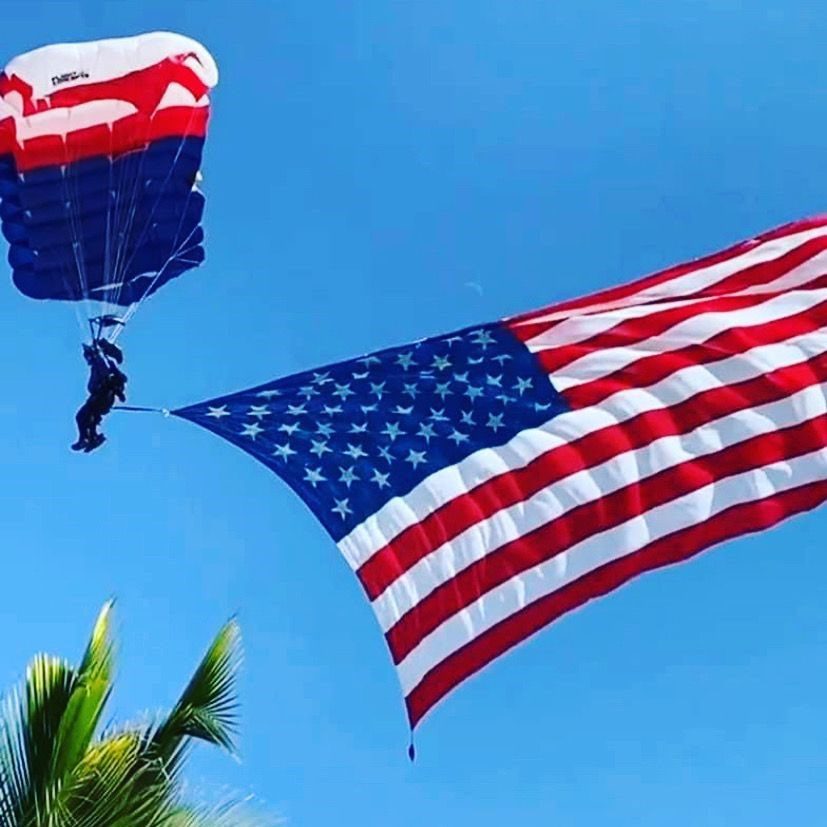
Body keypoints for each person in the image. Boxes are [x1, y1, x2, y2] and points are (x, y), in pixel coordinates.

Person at [71, 340, 128, 452]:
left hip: (103, 396)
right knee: (87, 417)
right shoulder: (98, 363)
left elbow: (108, 376)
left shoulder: (101, 362)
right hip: (100, 396)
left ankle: (87, 438)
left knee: (83, 416)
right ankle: (90, 437)